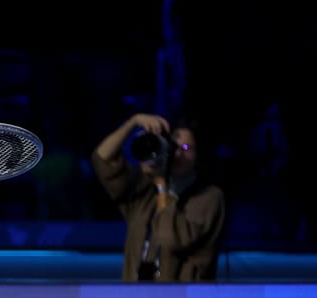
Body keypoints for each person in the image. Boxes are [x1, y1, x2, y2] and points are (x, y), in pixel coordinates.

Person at [91, 112, 226, 282]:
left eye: (186, 148)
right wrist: (134, 121)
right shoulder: (147, 190)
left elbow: (171, 238)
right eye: (173, 147)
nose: (178, 154)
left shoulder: (209, 197)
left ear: (199, 154)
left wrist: (162, 185)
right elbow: (102, 159)